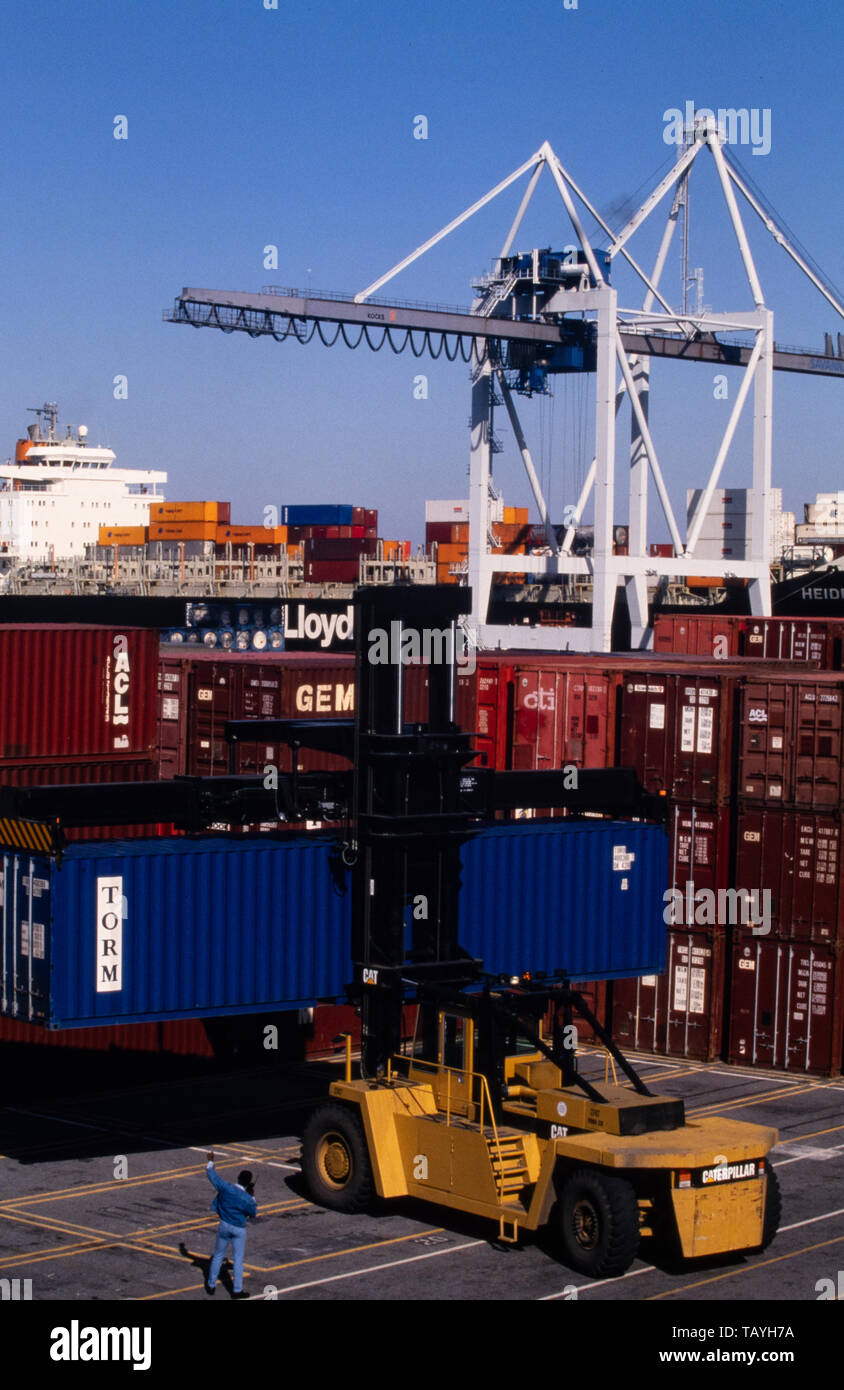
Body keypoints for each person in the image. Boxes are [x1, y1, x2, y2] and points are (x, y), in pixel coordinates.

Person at [204, 1150, 257, 1299]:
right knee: (238, 1259)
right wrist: (252, 1196)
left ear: (238, 1178)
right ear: (248, 1183)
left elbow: (211, 1175)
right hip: (239, 1228)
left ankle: (211, 1285)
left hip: (224, 1224)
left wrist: (211, 1161)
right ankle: (237, 1290)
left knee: (218, 1255)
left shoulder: (226, 1188)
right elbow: (253, 1213)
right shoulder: (247, 1198)